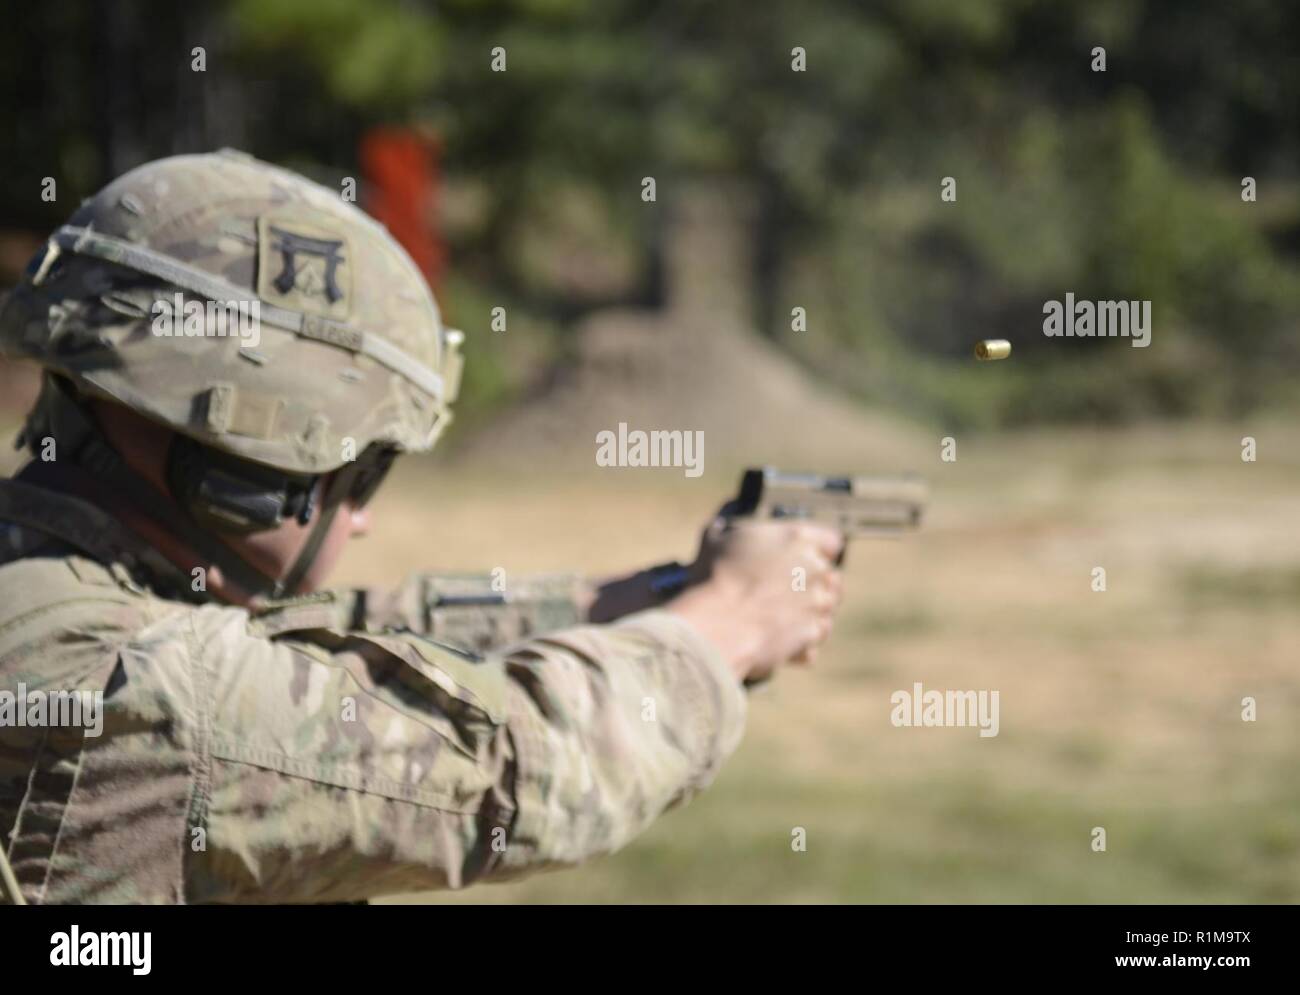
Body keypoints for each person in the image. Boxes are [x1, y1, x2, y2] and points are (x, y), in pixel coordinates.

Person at [0, 150, 844, 904]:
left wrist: (624, 599)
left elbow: (328, 649)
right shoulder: (149, 698)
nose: (361, 519)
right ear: (245, 473)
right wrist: (728, 623)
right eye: (362, 472)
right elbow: (511, 769)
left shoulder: (44, 584)